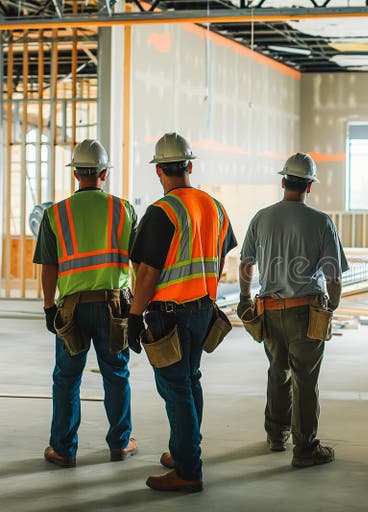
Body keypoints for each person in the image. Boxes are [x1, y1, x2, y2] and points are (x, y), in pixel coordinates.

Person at [126, 133, 237, 492]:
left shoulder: (162, 212)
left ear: (159, 170)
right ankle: (184, 451)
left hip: (169, 315)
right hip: (203, 308)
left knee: (176, 388)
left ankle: (188, 471)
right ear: (189, 166)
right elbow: (220, 258)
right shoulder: (215, 207)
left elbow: (147, 272)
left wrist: (133, 315)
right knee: (191, 381)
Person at [238, 152, 348, 468]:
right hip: (306, 314)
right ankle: (305, 448)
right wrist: (332, 305)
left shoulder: (261, 217)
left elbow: (246, 264)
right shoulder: (321, 222)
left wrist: (246, 300)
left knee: (277, 370)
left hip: (269, 311)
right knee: (306, 379)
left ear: (283, 180)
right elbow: (333, 276)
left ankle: (276, 435)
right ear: (309, 186)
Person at [33, 139, 138, 468]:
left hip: (72, 309)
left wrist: (49, 307)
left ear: (76, 173)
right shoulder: (124, 210)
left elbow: (49, 268)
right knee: (116, 375)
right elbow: (140, 262)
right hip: (114, 307)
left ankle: (63, 449)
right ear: (104, 172)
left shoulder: (55, 214)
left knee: (67, 379)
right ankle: (120, 444)